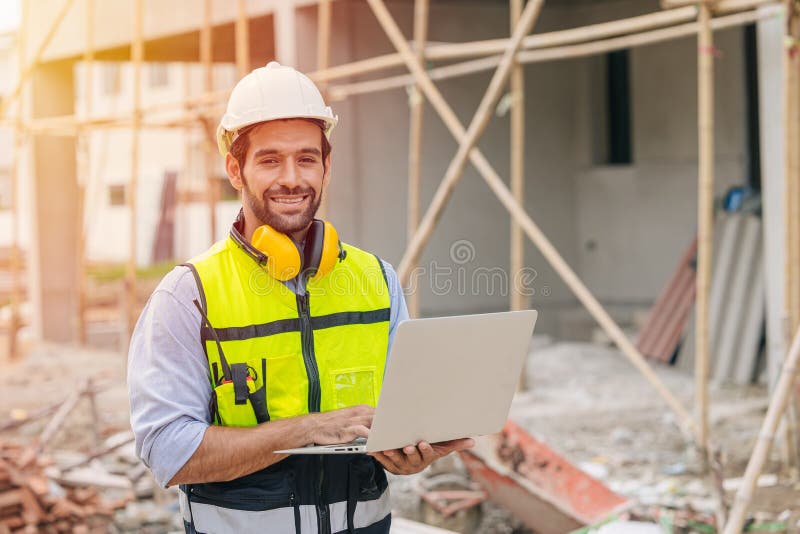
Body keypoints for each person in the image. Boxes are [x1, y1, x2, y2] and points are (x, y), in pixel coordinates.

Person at [127, 61, 474, 534]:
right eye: (270, 160)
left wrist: (409, 454)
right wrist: (308, 429)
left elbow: (400, 415)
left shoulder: (378, 279)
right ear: (236, 169)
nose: (292, 178)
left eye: (307, 159)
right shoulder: (188, 296)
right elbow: (168, 451)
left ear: (326, 167)